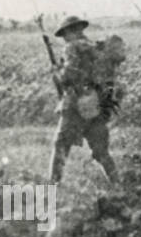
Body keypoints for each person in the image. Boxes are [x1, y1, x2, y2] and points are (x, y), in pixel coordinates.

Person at [48, 16, 120, 184]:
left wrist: (57, 72)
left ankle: (53, 184)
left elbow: (69, 75)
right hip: (96, 101)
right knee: (101, 150)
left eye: (65, 34)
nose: (64, 38)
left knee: (60, 144)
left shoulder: (71, 47)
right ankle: (117, 182)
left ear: (71, 31)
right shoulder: (95, 47)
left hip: (76, 103)